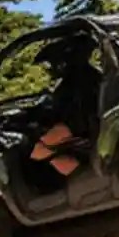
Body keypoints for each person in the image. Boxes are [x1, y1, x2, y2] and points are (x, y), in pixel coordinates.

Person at [28, 34, 102, 177]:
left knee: (34, 153)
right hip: (85, 129)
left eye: (52, 62)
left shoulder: (75, 81)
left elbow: (69, 115)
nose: (50, 68)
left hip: (81, 132)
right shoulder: (89, 74)